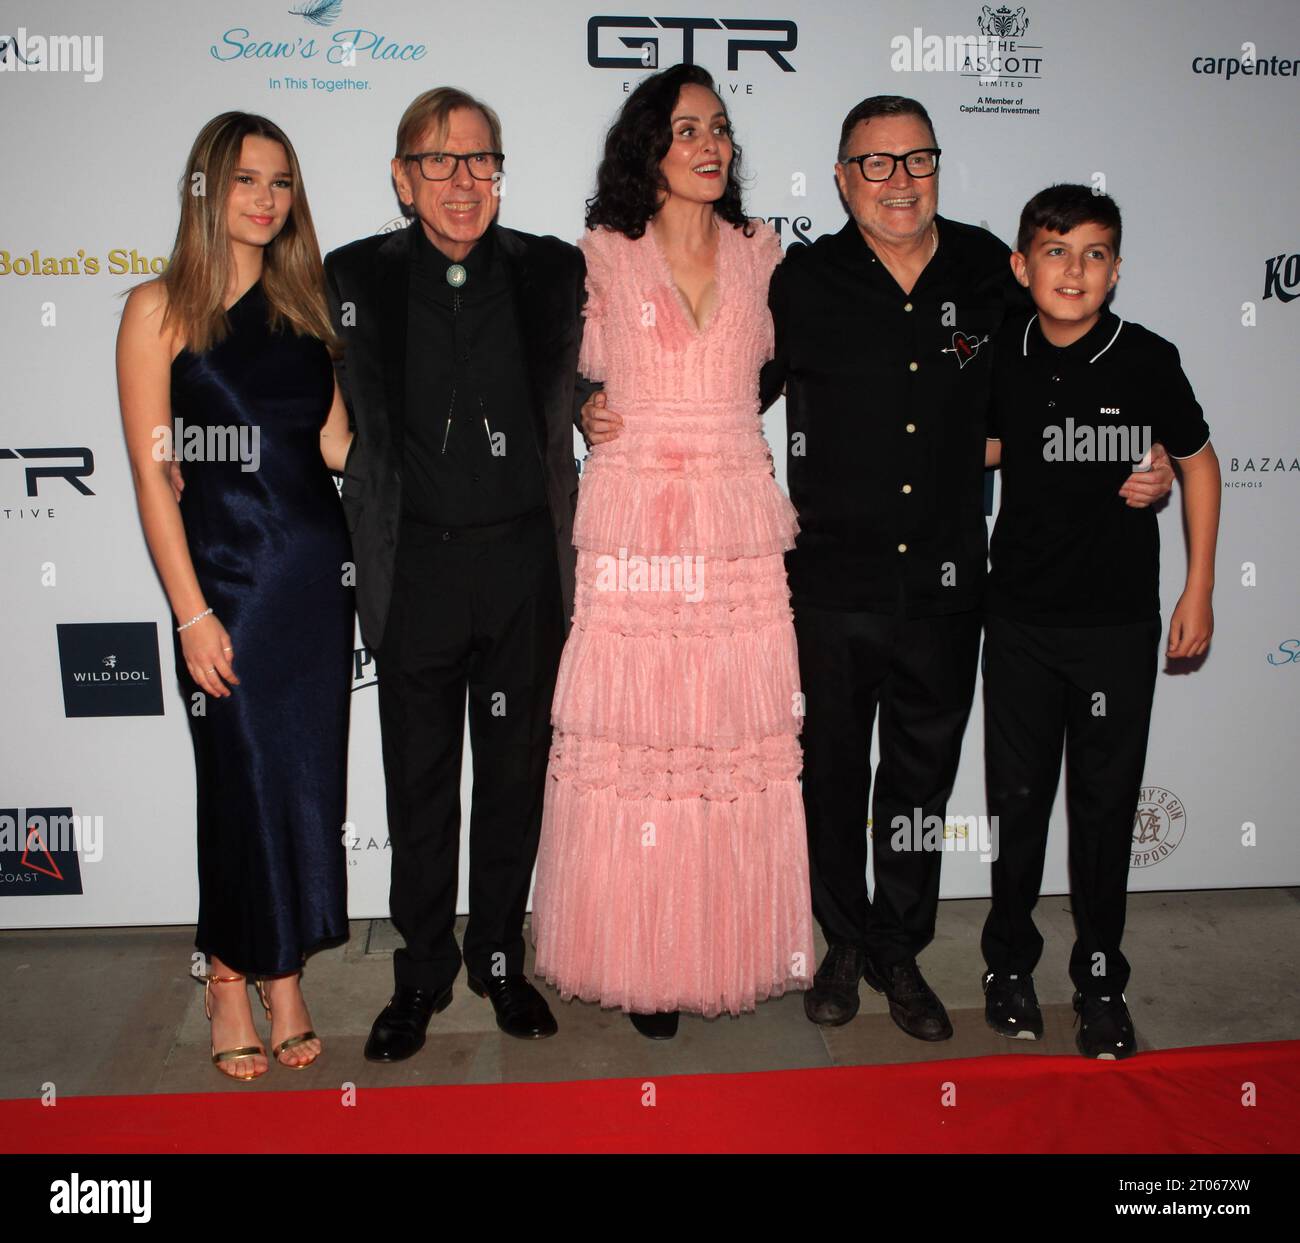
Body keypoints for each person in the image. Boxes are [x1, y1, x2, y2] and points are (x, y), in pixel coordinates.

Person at [585, 93, 1174, 1041]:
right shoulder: (799, 279)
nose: (898, 181)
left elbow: (1075, 359)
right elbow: (712, 379)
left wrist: (1136, 453)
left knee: (921, 781)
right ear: (841, 177)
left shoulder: (993, 270)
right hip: (827, 581)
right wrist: (592, 405)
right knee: (826, 776)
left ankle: (899, 946)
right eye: (875, 163)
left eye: (916, 160)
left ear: (936, 166)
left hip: (946, 583)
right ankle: (843, 941)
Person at [533, 64, 814, 1039]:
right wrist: (581, 405)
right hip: (635, 526)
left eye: (720, 129)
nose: (710, 145)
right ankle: (640, 957)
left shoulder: (761, 254)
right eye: (687, 129)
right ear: (647, 147)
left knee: (728, 746)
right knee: (640, 746)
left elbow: (787, 367)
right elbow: (541, 371)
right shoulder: (604, 257)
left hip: (734, 526)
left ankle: (726, 946)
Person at [324, 88, 588, 1058]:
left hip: (524, 566)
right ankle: (421, 971)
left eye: (480, 160)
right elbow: (294, 387)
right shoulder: (351, 275)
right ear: (401, 177)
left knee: (513, 781)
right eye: (438, 161)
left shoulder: (554, 272)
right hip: (417, 570)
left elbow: (613, 370)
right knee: (420, 786)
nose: (462, 180)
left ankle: (500, 961)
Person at [117, 112, 353, 1079]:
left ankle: (285, 973)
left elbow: (339, 448)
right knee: (240, 783)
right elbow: (149, 471)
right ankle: (226, 973)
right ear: (206, 189)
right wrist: (191, 609)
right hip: (228, 585)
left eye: (282, 182)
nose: (265, 199)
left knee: (306, 786)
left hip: (314, 585)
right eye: (247, 179)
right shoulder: (159, 309)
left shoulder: (305, 311)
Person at [980, 184, 1220, 1058]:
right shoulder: (1002, 349)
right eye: (1054, 250)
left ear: (1115, 270)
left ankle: (1100, 979)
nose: (1072, 270)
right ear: (1022, 265)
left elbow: (1198, 462)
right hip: (1016, 622)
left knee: (1105, 809)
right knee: (1017, 803)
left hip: (1117, 628)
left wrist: (1198, 590)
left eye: (1092, 254)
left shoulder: (1149, 358)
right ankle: (1007, 964)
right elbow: (997, 441)